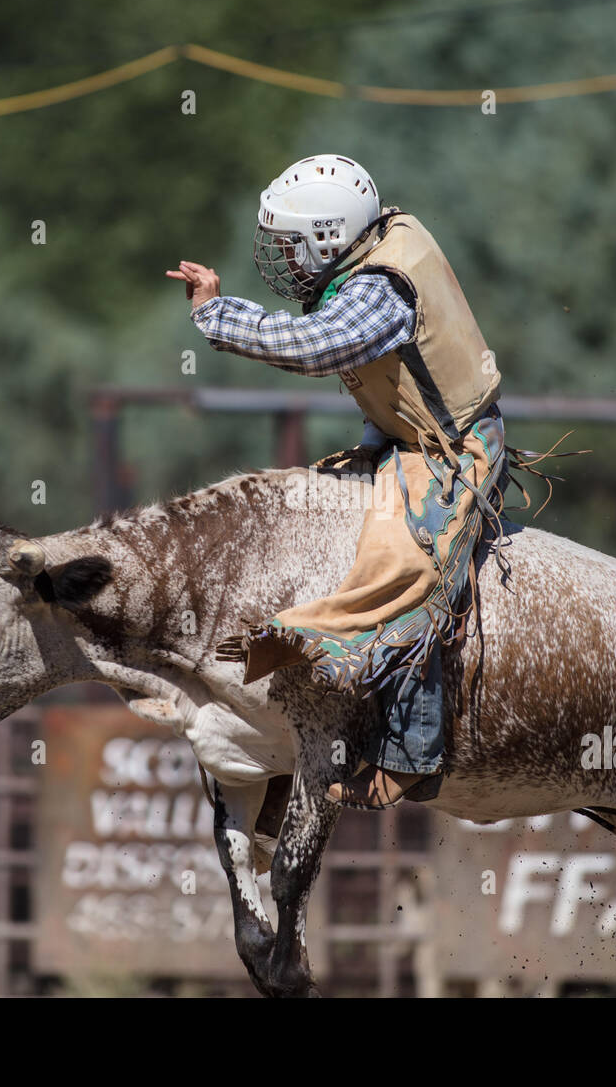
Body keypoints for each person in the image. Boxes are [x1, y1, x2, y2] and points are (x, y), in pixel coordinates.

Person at [167, 153, 508, 810]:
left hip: (450, 452)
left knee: (401, 581)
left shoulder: (381, 287)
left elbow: (313, 347)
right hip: (402, 444)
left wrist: (216, 316)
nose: (284, 259)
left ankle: (411, 755)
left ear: (328, 237)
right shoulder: (372, 246)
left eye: (290, 245)